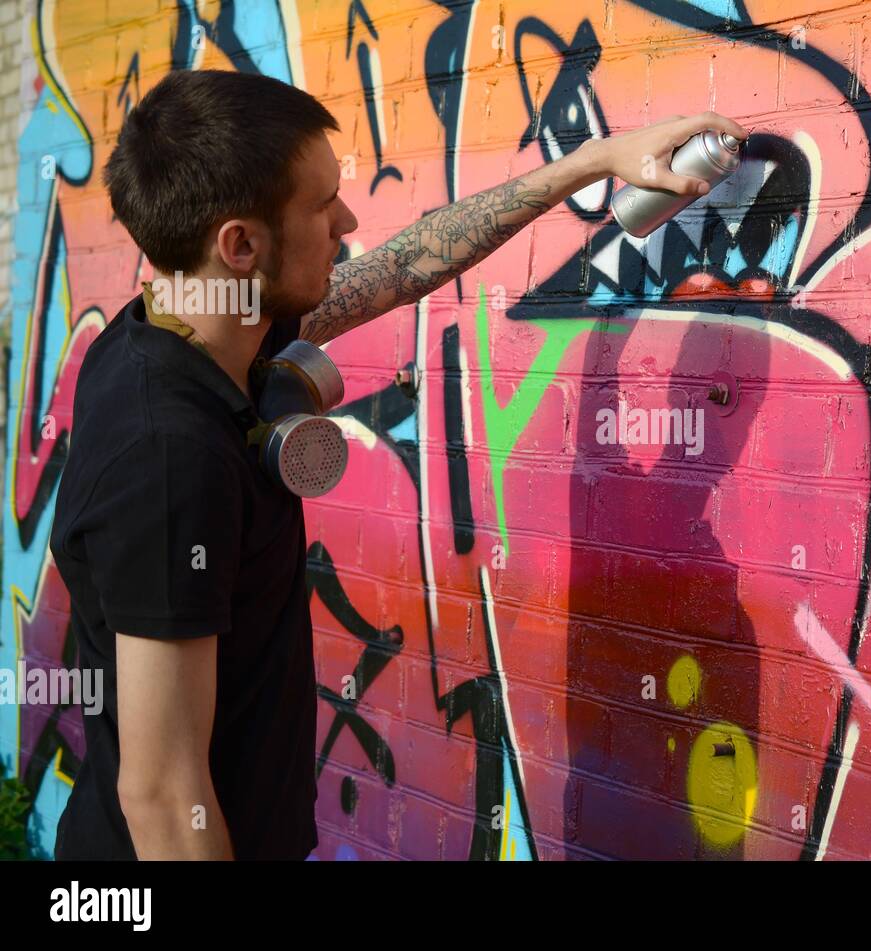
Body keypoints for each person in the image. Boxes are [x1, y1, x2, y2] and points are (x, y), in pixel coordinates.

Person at [48, 67, 748, 860]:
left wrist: (590, 163)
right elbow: (166, 800)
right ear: (240, 245)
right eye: (321, 206)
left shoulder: (195, 318)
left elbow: (406, 266)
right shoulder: (169, 462)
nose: (348, 219)